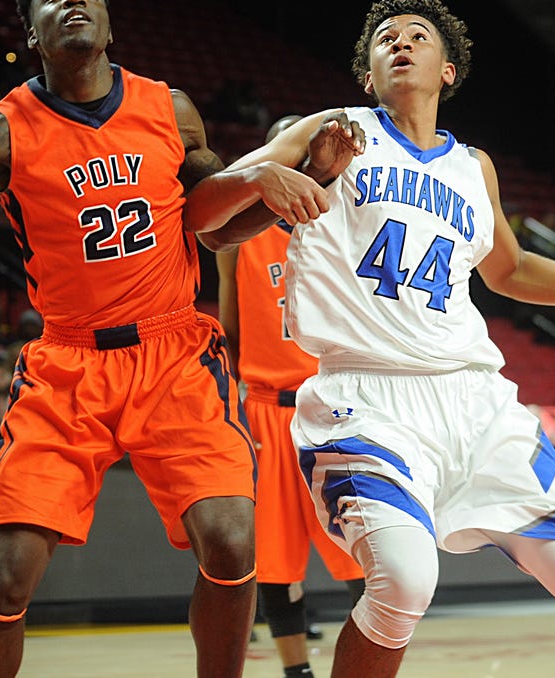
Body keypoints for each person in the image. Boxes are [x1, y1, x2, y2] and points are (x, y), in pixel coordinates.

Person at [192, 2, 555, 675]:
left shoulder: (473, 167)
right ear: (369, 75)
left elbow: (512, 269)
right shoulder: (332, 132)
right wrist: (266, 175)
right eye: (386, 39)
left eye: (418, 37)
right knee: (404, 580)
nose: (401, 44)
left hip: (476, 404)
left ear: (449, 68)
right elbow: (205, 217)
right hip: (365, 401)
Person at [0, 0, 331, 674]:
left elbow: (213, 227)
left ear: (110, 23)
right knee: (4, 577)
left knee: (235, 546)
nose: (73, 1)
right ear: (31, 30)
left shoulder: (168, 109)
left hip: (173, 354)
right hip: (69, 364)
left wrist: (289, 184)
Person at [218, 116, 367, 678]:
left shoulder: (350, 229)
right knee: (275, 563)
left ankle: (365, 666)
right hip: (264, 409)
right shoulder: (240, 236)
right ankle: (296, 672)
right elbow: (230, 324)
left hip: (331, 405)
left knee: (364, 550)